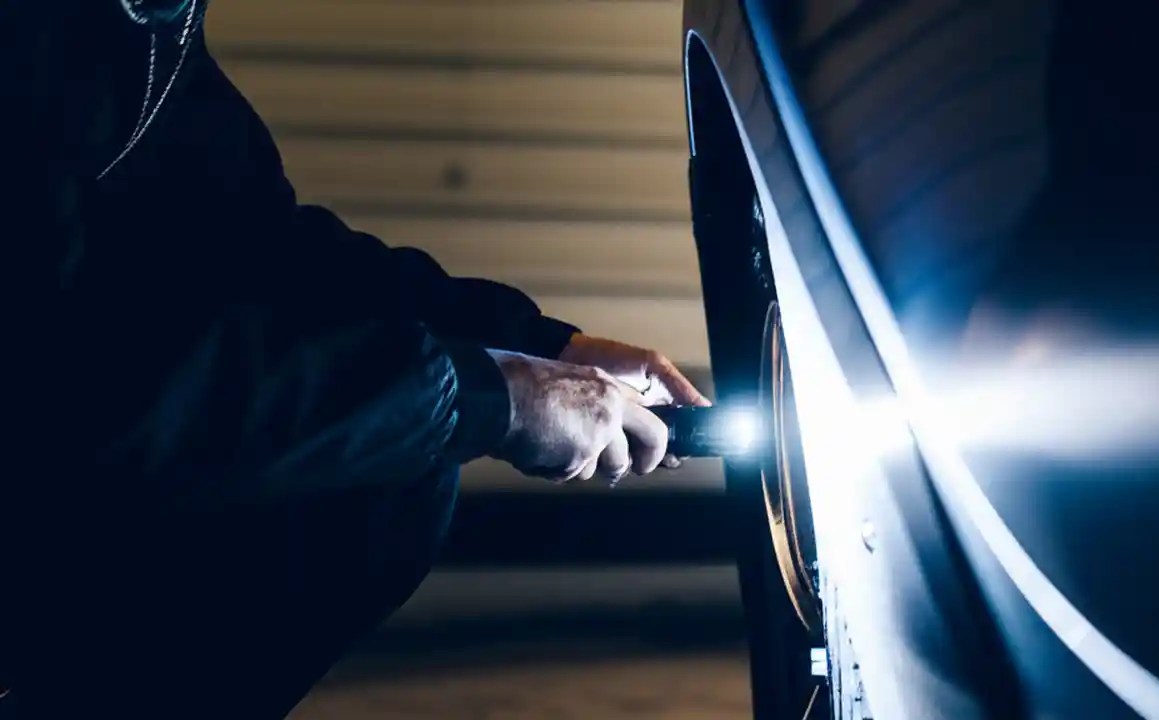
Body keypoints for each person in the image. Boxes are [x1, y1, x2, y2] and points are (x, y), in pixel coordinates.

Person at [0, 1, 709, 716]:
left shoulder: (134, 20)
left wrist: (539, 345)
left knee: (396, 458)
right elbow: (72, 378)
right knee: (387, 461)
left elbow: (250, 241)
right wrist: (495, 398)